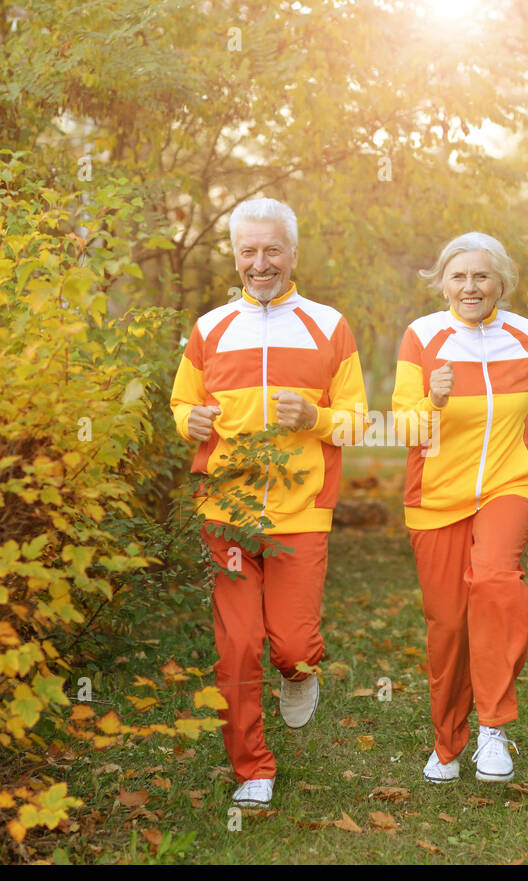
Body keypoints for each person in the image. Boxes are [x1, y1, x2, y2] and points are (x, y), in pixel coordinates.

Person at [171, 197, 366, 807]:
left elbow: (357, 422)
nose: (260, 263)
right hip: (224, 515)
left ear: (293, 255)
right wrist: (191, 423)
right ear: (235, 256)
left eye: (272, 250)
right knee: (236, 643)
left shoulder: (327, 325)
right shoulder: (210, 328)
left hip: (300, 512)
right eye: (248, 251)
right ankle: (253, 768)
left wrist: (315, 416)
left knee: (292, 645)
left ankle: (298, 673)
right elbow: (182, 404)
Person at [391, 232, 528, 784]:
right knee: (448, 625)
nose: (470, 286)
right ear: (442, 282)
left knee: (494, 581)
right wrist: (434, 401)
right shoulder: (422, 337)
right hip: (436, 496)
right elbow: (403, 428)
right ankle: (447, 744)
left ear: (501, 283)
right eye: (459, 276)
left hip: (507, 483)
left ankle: (493, 727)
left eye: (481, 276)